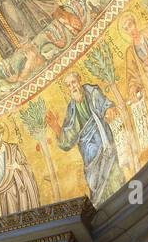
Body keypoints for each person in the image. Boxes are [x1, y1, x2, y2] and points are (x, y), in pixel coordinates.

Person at [53, 71, 125, 206]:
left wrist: (109, 109)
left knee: (113, 173)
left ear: (79, 80)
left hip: (104, 144)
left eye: (73, 82)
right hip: (88, 154)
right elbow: (69, 138)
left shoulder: (93, 92)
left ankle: (122, 198)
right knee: (94, 181)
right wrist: (57, 128)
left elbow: (105, 104)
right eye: (69, 86)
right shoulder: (72, 109)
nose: (72, 87)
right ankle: (103, 205)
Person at [0, 123, 41, 214]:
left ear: (1, 135)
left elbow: (27, 167)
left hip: (16, 188)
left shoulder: (14, 149)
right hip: (2, 193)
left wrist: (17, 166)